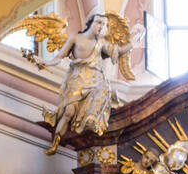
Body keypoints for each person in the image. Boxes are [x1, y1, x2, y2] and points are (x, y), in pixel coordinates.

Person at [42, 12, 137, 154]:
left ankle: (92, 120)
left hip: (94, 80)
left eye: (103, 24)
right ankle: (55, 142)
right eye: (98, 22)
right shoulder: (75, 37)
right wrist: (45, 62)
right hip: (77, 79)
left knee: (101, 93)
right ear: (90, 22)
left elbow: (120, 50)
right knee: (68, 112)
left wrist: (136, 39)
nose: (101, 26)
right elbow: (60, 56)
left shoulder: (102, 42)